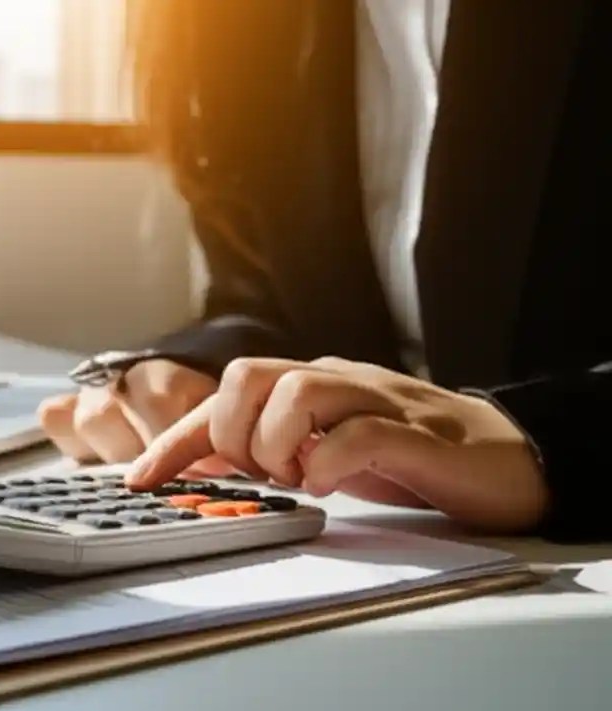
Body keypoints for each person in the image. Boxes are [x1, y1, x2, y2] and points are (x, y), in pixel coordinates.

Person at [38, 0, 610, 541]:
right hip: (390, 531)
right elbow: (266, 294)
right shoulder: (232, 22)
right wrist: (203, 365)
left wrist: (549, 438)